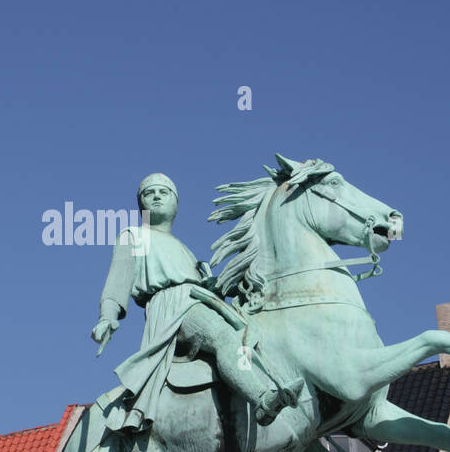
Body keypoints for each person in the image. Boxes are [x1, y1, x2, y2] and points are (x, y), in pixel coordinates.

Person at [91, 173, 301, 437]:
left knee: (253, 334)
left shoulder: (183, 248)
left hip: (199, 301)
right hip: (173, 307)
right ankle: (261, 400)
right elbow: (117, 280)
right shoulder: (133, 235)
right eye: (149, 193)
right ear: (141, 205)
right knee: (223, 336)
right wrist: (107, 316)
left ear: (175, 204)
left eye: (163, 192)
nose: (156, 196)